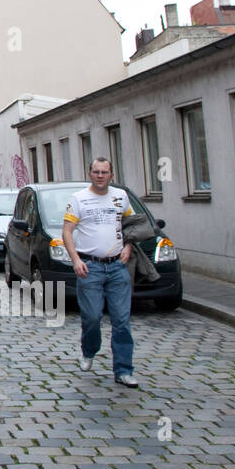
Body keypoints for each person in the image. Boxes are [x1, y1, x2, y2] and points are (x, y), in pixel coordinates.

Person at [61, 157, 139, 388]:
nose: (100, 176)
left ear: (111, 175)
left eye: (104, 172)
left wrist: (128, 247)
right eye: (96, 172)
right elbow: (67, 232)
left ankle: (124, 370)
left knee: (121, 321)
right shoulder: (79, 199)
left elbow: (133, 226)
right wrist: (75, 260)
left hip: (117, 266)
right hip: (89, 267)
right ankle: (89, 349)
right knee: (92, 317)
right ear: (90, 174)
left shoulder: (121, 197)